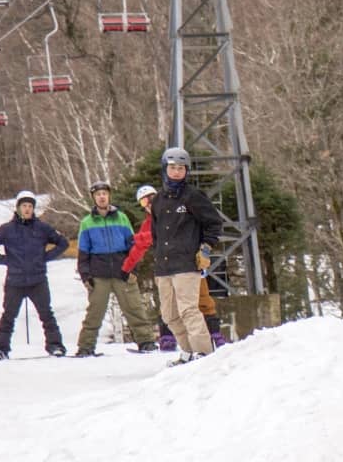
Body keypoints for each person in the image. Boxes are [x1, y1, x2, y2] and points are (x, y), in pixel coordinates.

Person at [123, 184, 228, 353]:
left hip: (189, 264)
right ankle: (178, 342)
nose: (149, 204)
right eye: (144, 202)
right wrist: (127, 266)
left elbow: (189, 229)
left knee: (200, 301)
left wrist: (137, 238)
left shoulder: (174, 212)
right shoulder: (150, 221)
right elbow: (142, 246)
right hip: (168, 268)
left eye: (151, 199)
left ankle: (212, 336)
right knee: (170, 308)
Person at [151, 147, 223, 365]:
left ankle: (203, 352)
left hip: (186, 263)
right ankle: (188, 351)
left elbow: (213, 223)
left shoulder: (193, 197)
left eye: (180, 168)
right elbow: (156, 233)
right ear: (165, 169)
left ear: (186, 171)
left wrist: (206, 248)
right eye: (172, 168)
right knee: (169, 315)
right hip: (164, 266)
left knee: (188, 310)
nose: (176, 172)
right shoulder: (158, 200)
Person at [0, 191, 70, 359]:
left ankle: (55, 346)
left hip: (38, 280)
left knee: (46, 315)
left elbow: (62, 243)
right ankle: (0, 349)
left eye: (30, 206)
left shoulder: (42, 228)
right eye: (24, 206)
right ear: (18, 208)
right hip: (15, 280)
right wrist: (4, 260)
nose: (27, 209)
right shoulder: (7, 229)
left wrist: (45, 258)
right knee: (8, 316)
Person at [73, 181, 159, 356]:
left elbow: (133, 245)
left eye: (104, 193)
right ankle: (86, 346)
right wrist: (85, 275)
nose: (102, 197)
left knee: (134, 308)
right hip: (99, 274)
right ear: (94, 198)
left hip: (123, 271)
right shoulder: (87, 222)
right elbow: (83, 252)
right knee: (94, 313)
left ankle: (146, 341)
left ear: (109, 196)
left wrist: (133, 270)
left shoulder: (121, 217)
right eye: (98, 195)